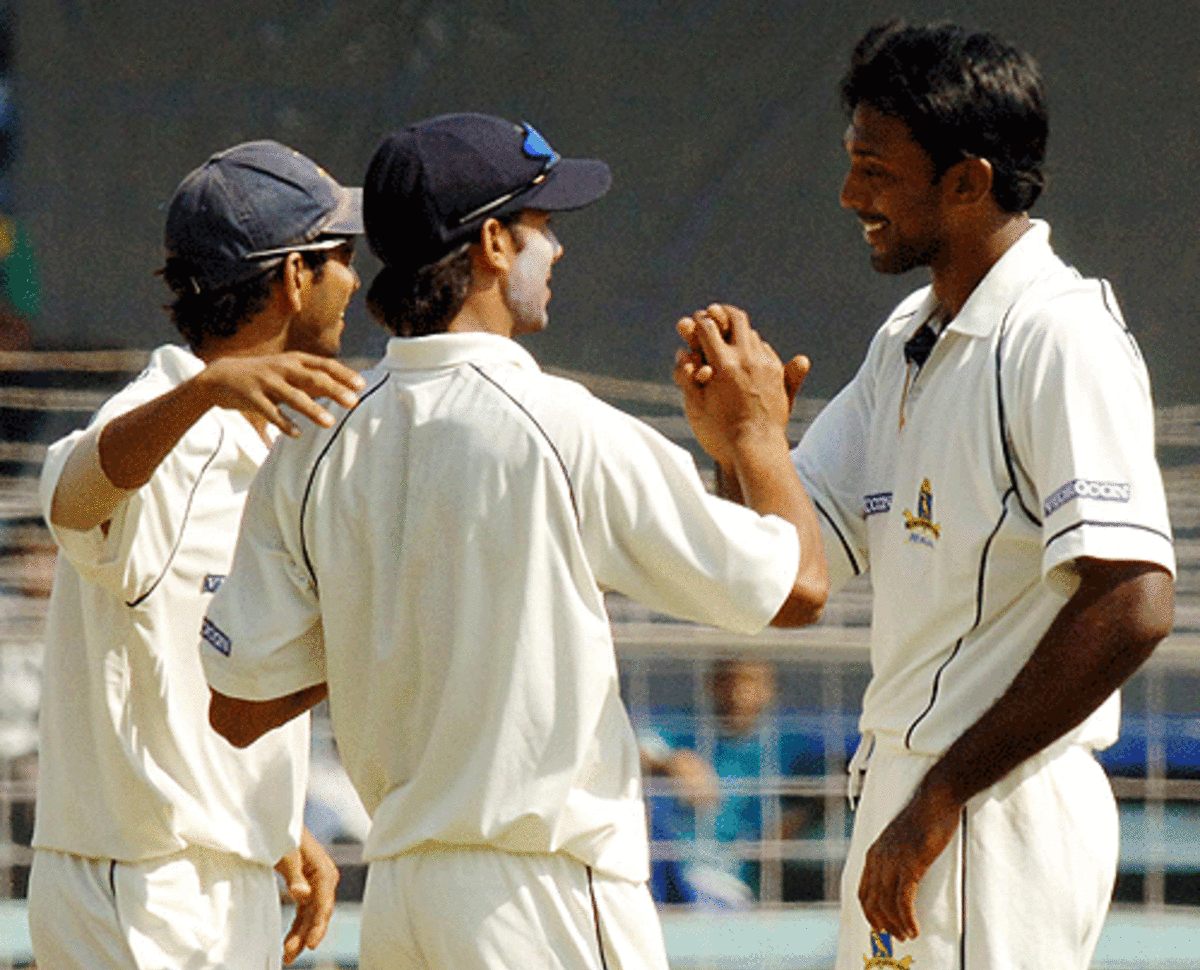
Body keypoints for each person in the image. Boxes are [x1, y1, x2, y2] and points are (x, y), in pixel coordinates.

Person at [199, 112, 828, 970]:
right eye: (543, 226)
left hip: (403, 901)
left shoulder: (314, 442)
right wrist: (754, 438)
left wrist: (397, 620)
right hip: (544, 895)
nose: (556, 252)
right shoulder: (562, 427)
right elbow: (795, 592)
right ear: (492, 242)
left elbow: (238, 705)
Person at [676, 20, 1175, 970]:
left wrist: (942, 798)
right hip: (917, 801)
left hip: (995, 814)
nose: (851, 195)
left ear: (967, 181)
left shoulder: (1058, 336)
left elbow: (1136, 600)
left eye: (876, 169)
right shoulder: (909, 333)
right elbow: (789, 576)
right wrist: (739, 448)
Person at [29, 140, 367, 969]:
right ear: (293, 276)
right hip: (147, 888)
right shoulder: (163, 421)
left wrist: (270, 822)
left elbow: (194, 660)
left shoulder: (262, 439)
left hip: (213, 875)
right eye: (341, 258)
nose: (354, 282)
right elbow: (71, 501)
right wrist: (203, 392)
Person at [640, 658, 777, 907]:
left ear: (769, 690)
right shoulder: (683, 729)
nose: (738, 693)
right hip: (676, 867)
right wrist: (671, 761)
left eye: (751, 682)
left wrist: (805, 811)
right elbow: (630, 752)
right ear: (710, 685)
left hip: (737, 879)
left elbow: (838, 771)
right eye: (728, 681)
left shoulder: (786, 742)